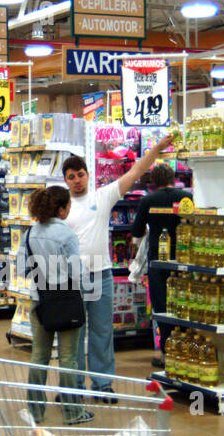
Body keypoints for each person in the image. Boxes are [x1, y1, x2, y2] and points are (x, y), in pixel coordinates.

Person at [61, 133, 174, 399]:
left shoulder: (103, 196)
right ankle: (73, 388)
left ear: (88, 175)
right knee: (73, 337)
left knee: (102, 333)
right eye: (71, 177)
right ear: (65, 181)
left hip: (101, 276)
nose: (77, 181)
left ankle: (103, 386)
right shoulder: (60, 205)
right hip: (71, 280)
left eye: (80, 174)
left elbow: (137, 170)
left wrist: (157, 147)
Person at [17, 186, 92, 425]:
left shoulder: (30, 234)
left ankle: (35, 412)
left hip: (40, 301)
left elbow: (21, 269)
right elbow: (76, 273)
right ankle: (72, 412)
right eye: (68, 205)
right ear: (61, 209)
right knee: (68, 358)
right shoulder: (67, 235)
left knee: (39, 356)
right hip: (67, 301)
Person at [131, 163, 193, 365]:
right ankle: (185, 349)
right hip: (185, 258)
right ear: (173, 178)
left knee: (162, 305)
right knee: (184, 304)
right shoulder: (187, 199)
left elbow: (137, 231)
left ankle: (168, 352)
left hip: (158, 260)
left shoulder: (148, 200)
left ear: (153, 182)